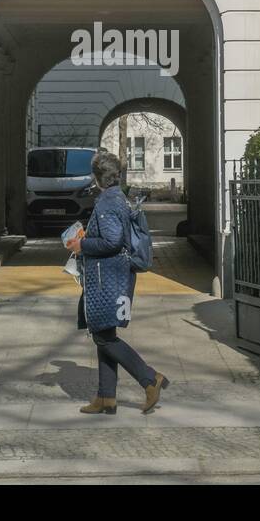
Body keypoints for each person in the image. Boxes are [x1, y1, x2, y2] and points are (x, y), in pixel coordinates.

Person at [66, 150, 168, 415]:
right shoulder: (117, 198)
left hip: (107, 279)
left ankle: (149, 378)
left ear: (98, 177)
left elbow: (113, 241)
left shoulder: (106, 203)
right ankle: (105, 398)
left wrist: (82, 244)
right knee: (105, 334)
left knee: (103, 336)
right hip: (112, 276)